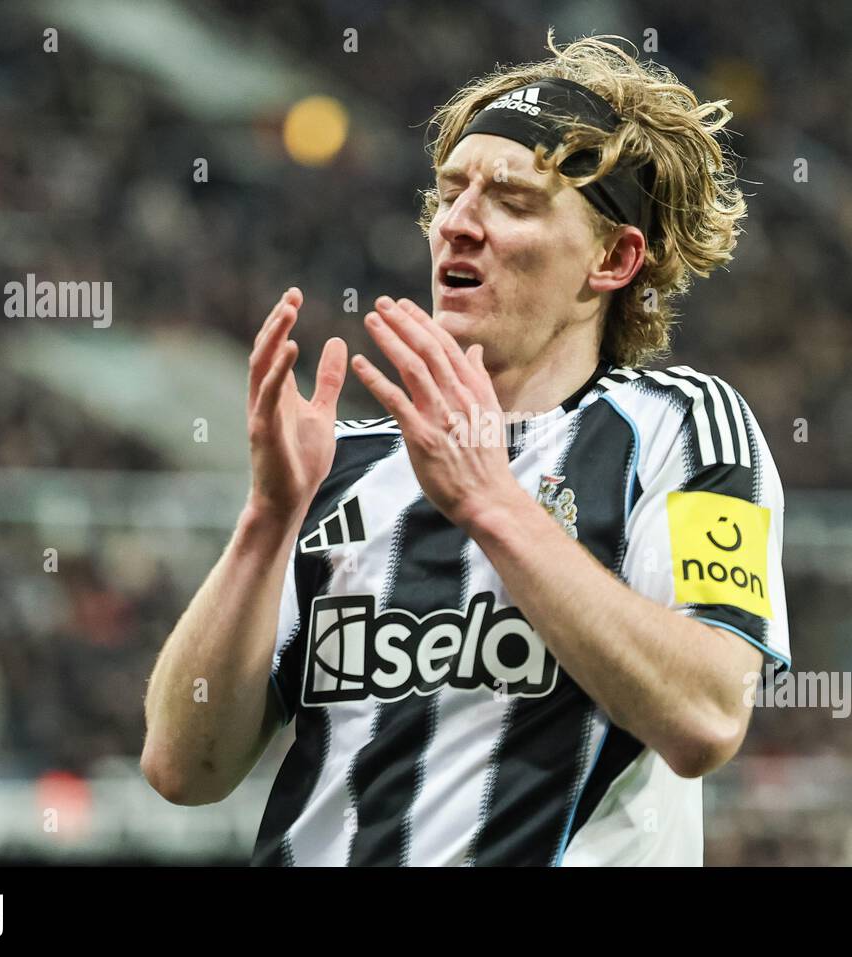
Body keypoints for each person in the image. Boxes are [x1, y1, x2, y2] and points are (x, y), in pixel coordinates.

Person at [141, 32, 790, 866]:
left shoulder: (686, 426)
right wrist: (268, 519)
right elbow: (182, 767)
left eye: (512, 201)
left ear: (614, 258)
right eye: (450, 193)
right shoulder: (346, 466)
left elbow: (707, 715)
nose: (456, 224)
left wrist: (491, 504)